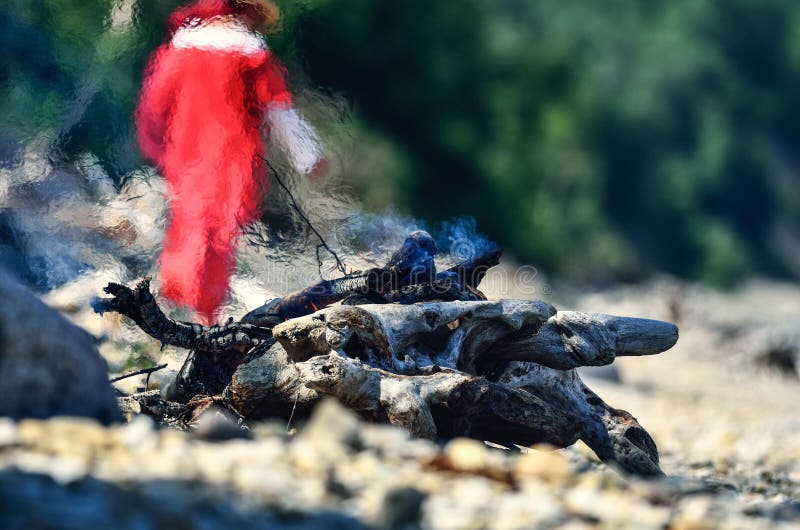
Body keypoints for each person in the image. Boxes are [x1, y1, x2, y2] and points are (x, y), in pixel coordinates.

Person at [135, 0, 324, 323]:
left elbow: (154, 104)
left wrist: (155, 146)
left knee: (188, 225)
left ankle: (174, 305)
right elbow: (278, 111)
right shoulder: (251, 55)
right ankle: (203, 314)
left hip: (186, 154)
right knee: (218, 236)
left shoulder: (179, 51)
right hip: (232, 157)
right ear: (245, 11)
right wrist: (308, 156)